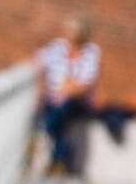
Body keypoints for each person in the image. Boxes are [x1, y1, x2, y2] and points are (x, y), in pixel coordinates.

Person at [36, 16, 101, 175]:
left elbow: (87, 83)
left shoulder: (91, 52)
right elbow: (37, 61)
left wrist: (67, 90)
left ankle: (43, 136)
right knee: (61, 114)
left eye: (71, 31)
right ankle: (57, 162)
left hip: (77, 102)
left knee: (63, 108)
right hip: (54, 99)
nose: (67, 34)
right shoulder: (58, 47)